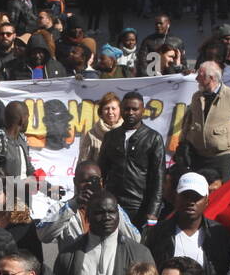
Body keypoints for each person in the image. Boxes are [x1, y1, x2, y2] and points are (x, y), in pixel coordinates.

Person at [143, 171, 230, 275]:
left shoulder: (219, 235)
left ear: (207, 201)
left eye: (197, 197)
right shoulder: (158, 233)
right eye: (185, 196)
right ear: (175, 198)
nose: (191, 202)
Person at [98, 90, 165, 230]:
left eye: (135, 109)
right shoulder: (110, 137)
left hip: (139, 206)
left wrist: (153, 212)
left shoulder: (154, 138)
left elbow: (158, 179)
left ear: (143, 111)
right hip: (113, 204)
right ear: (121, 110)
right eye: (127, 109)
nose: (130, 112)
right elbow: (101, 172)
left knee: (137, 248)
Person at [177, 60, 230, 179]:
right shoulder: (197, 96)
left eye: (200, 76)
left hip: (221, 157)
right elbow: (188, 121)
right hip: (197, 156)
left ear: (211, 78)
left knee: (220, 193)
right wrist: (183, 143)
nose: (196, 79)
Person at [37, 160, 139, 245]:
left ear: (101, 182)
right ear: (75, 182)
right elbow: (43, 236)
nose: (89, 185)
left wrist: (109, 205)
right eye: (84, 181)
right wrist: (74, 205)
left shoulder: (113, 208)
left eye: (94, 180)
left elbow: (135, 238)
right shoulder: (61, 208)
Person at [79, 92, 121, 164]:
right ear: (101, 112)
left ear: (120, 111)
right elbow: (83, 162)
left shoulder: (128, 131)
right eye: (107, 109)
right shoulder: (91, 134)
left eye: (113, 108)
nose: (110, 112)